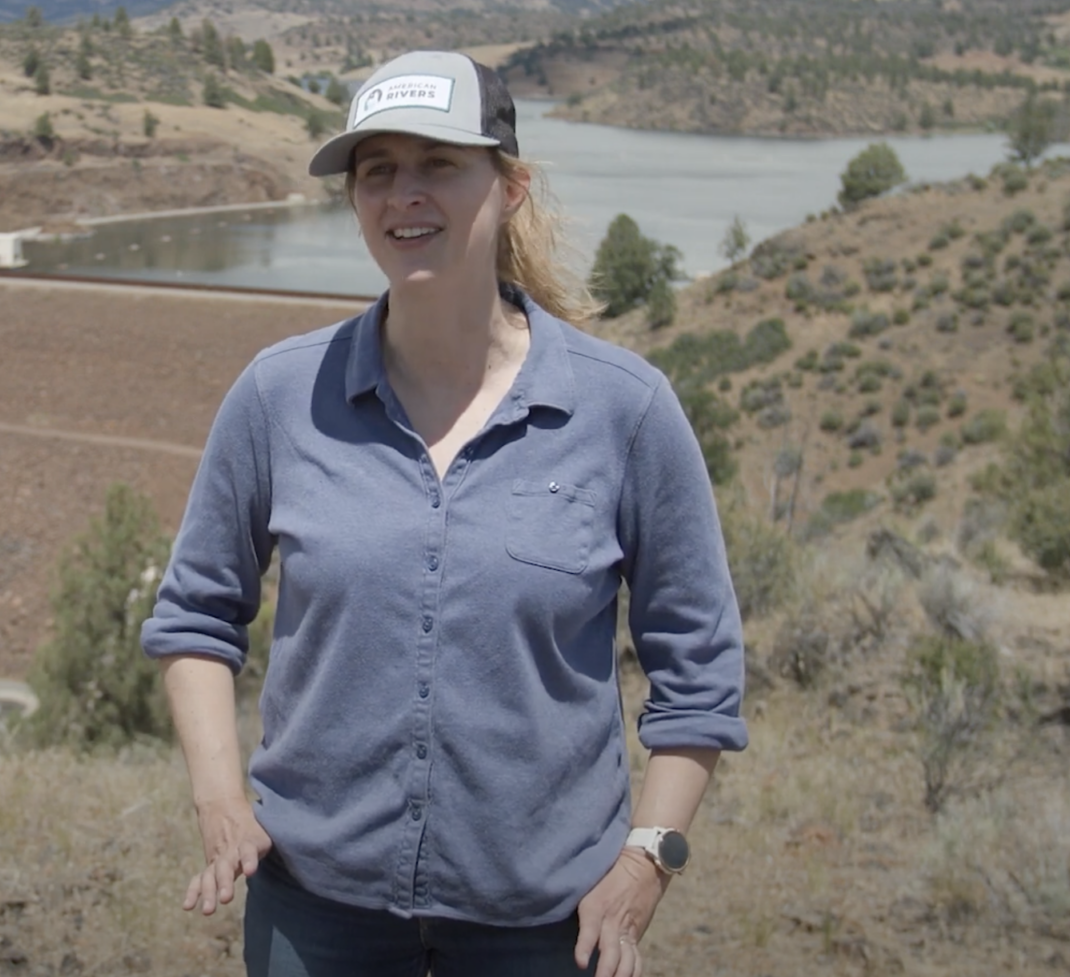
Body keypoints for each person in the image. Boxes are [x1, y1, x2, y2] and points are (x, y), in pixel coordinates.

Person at [140, 50, 748, 977]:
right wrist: (220, 800)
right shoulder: (279, 395)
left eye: (439, 164)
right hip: (316, 916)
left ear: (511, 187)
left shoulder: (624, 411)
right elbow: (194, 615)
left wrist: (645, 863)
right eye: (377, 170)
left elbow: (699, 668)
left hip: (546, 926)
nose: (404, 195)